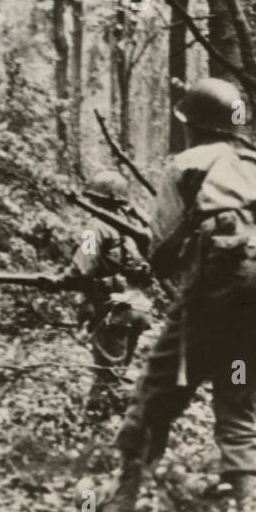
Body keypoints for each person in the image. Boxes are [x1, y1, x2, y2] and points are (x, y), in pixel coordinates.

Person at [96, 78, 256, 512]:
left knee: (152, 399)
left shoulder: (187, 165)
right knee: (238, 405)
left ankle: (122, 501)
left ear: (193, 125)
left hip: (208, 304)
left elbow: (159, 252)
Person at [44, 169, 152, 416]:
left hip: (112, 309)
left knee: (107, 379)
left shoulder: (95, 227)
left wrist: (57, 282)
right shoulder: (131, 226)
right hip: (136, 308)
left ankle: (103, 429)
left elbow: (83, 268)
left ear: (95, 199)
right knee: (117, 371)